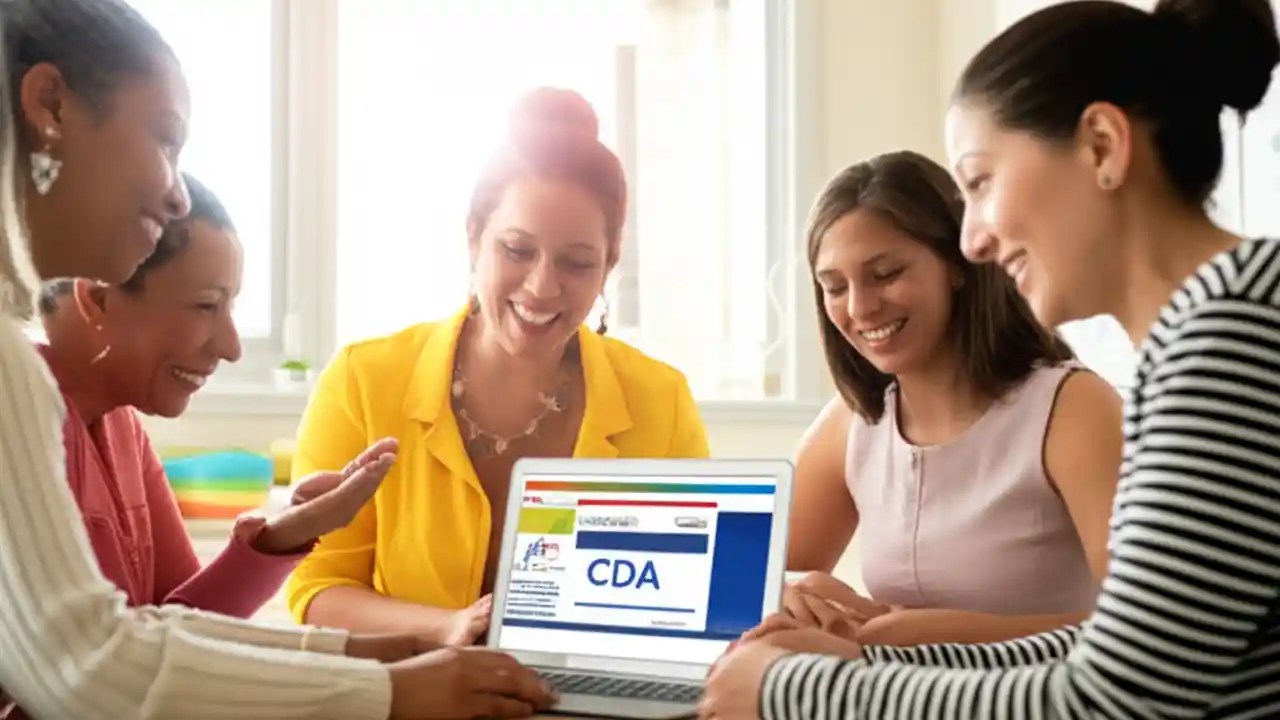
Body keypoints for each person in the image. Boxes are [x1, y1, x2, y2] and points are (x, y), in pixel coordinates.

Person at [700, 0, 1280, 717]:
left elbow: (1122, 699)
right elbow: (1123, 656)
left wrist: (797, 690)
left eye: (980, 183)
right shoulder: (1215, 325)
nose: (973, 239)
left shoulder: (1230, 334)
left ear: (1101, 145)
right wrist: (869, 654)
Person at [0, 1, 553, 718]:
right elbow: (90, 667)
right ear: (49, 105)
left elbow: (148, 630)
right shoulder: (17, 375)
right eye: (166, 139)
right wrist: (388, 691)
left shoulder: (87, 414)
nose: (175, 193)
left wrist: (364, 655)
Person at [285, 87, 711, 645]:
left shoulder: (661, 398)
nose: (542, 286)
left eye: (577, 263)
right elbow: (317, 586)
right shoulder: (363, 380)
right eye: (517, 250)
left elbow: (686, 595)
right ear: (473, 237)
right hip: (416, 694)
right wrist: (448, 629)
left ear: (609, 263)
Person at [771, 150, 1121, 648]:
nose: (860, 308)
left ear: (957, 263)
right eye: (834, 287)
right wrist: (793, 590)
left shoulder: (1074, 409)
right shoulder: (854, 423)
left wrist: (952, 638)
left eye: (886, 274)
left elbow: (1157, 636)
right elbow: (750, 586)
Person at [36, 173, 411, 635]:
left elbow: (183, 632)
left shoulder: (122, 425)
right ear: (96, 300)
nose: (232, 347)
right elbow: (96, 669)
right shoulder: (24, 423)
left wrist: (285, 535)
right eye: (205, 306)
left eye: (230, 307)